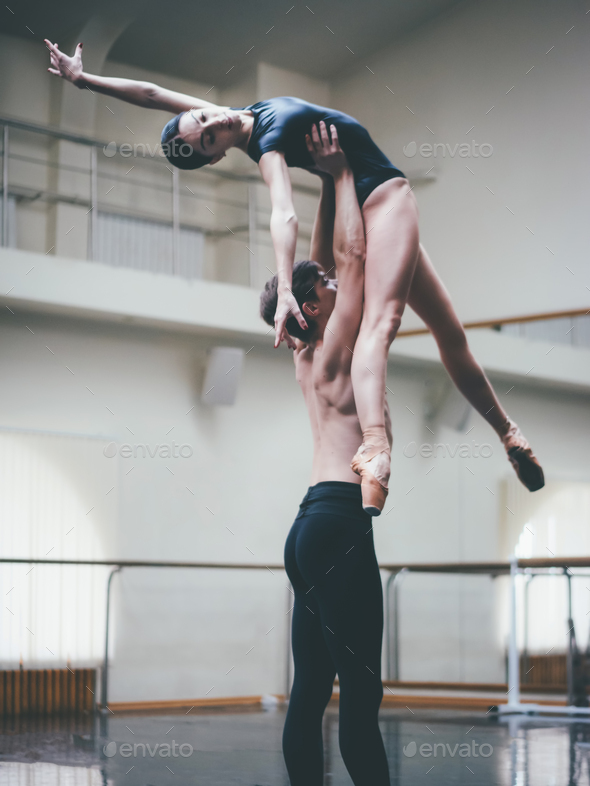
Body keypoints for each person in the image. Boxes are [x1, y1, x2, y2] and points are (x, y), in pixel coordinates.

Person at [45, 42, 545, 512]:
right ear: (217, 155)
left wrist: (85, 79)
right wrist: (285, 286)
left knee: (448, 331)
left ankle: (507, 431)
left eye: (201, 119)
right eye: (209, 138)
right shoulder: (265, 144)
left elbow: (153, 95)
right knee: (382, 323)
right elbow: (283, 214)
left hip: (362, 205)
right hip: (382, 199)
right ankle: (375, 446)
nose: (212, 121)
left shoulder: (244, 115)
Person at [260, 122, 391, 785]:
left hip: (306, 528)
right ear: (313, 305)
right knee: (362, 695)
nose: (336, 288)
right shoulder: (335, 346)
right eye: (325, 290)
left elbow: (317, 265)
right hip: (338, 522)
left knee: (311, 690)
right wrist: (342, 175)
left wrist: (314, 182)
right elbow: (355, 262)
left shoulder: (306, 352)